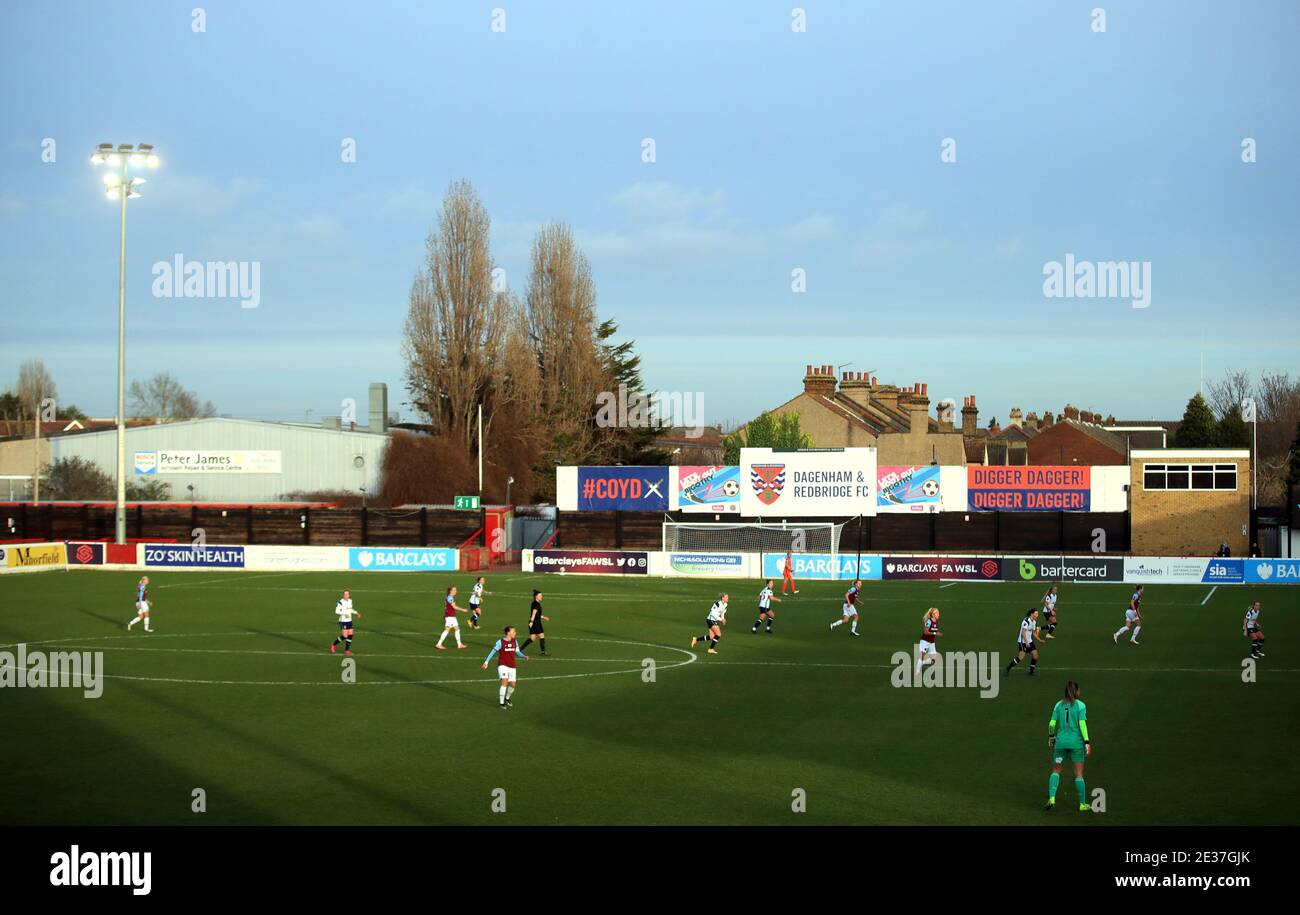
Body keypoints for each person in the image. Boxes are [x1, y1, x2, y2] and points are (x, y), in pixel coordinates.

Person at [1044, 680, 1092, 812]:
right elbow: (1082, 724)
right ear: (1076, 691)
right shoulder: (1081, 705)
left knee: (1056, 770)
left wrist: (1051, 736)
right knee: (1078, 773)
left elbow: (1051, 724)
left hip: (1060, 743)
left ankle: (1052, 799)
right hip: (1076, 743)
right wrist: (1087, 742)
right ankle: (1082, 804)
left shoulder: (1058, 705)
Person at [482, 625, 528, 709]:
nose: (515, 633)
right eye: (513, 631)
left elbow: (517, 652)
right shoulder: (500, 642)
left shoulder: (515, 642)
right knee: (504, 682)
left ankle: (507, 698)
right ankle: (501, 703)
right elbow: (492, 652)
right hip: (502, 665)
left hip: (512, 666)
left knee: (513, 684)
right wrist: (486, 662)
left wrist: (523, 656)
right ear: (508, 633)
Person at [1004, 608, 1043, 677]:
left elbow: (1033, 633)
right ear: (1032, 614)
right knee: (1021, 657)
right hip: (1023, 642)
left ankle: (1031, 672)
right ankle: (1007, 668)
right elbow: (1023, 633)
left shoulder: (1034, 622)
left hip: (1029, 641)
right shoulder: (1026, 621)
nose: (1037, 615)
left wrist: (1039, 640)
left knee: (1035, 655)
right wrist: (1026, 642)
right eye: (1036, 614)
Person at [435, 586, 470, 651]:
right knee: (447, 630)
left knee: (457, 629)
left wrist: (445, 614)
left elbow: (446, 607)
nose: (456, 591)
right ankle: (439, 644)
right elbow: (454, 607)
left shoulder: (449, 597)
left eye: (455, 590)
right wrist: (463, 610)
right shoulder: (450, 598)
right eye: (454, 590)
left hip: (451, 616)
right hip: (450, 616)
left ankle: (459, 644)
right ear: (450, 591)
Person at [519, 590, 549, 655]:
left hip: (534, 623)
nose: (541, 597)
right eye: (540, 595)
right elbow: (534, 613)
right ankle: (543, 652)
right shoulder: (536, 604)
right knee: (542, 636)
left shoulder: (534, 603)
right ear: (536, 596)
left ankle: (519, 649)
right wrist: (532, 622)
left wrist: (543, 617)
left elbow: (537, 614)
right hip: (536, 623)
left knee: (532, 638)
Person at [330, 589, 360, 655]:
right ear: (343, 595)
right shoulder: (340, 602)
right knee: (344, 636)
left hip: (349, 620)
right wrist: (344, 614)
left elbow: (350, 609)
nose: (346, 595)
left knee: (351, 634)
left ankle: (346, 650)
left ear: (349, 595)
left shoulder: (350, 601)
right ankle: (333, 645)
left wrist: (356, 613)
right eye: (345, 594)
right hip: (343, 621)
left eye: (347, 594)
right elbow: (336, 611)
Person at [915, 607, 941, 675]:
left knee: (934, 659)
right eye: (937, 613)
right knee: (922, 656)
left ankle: (922, 663)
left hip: (931, 643)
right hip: (925, 641)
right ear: (933, 614)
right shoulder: (929, 621)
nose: (938, 614)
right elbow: (925, 632)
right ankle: (917, 672)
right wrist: (935, 633)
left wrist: (936, 632)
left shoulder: (936, 621)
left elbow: (934, 629)